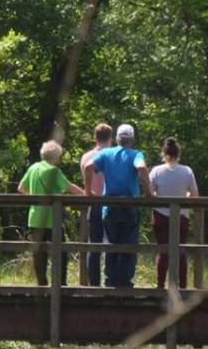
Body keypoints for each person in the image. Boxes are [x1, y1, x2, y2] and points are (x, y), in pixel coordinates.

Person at [17, 140, 84, 287]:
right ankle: (60, 283)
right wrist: (86, 194)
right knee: (60, 253)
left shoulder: (33, 168)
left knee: (39, 254)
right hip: (51, 218)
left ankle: (42, 284)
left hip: (34, 217)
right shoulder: (53, 171)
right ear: (56, 157)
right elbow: (69, 187)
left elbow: (21, 188)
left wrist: (35, 197)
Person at [93, 123, 149, 289]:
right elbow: (142, 168)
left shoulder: (106, 154)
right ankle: (125, 283)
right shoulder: (135, 154)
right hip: (130, 206)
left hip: (109, 206)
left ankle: (110, 283)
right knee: (129, 246)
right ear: (131, 140)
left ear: (117, 139)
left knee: (111, 245)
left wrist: (88, 191)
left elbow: (89, 166)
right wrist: (149, 193)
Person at [147, 137, 198, 290]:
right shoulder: (187, 171)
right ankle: (182, 287)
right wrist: (185, 197)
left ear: (163, 153)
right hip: (181, 216)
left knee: (163, 252)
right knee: (180, 252)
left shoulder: (156, 171)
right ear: (178, 153)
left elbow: (149, 193)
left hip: (161, 216)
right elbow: (195, 195)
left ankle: (160, 286)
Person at [77, 123, 114, 286]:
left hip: (92, 203)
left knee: (94, 245)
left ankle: (93, 284)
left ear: (95, 137)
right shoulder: (113, 155)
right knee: (113, 244)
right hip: (111, 203)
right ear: (111, 138)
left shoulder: (86, 157)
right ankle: (111, 281)